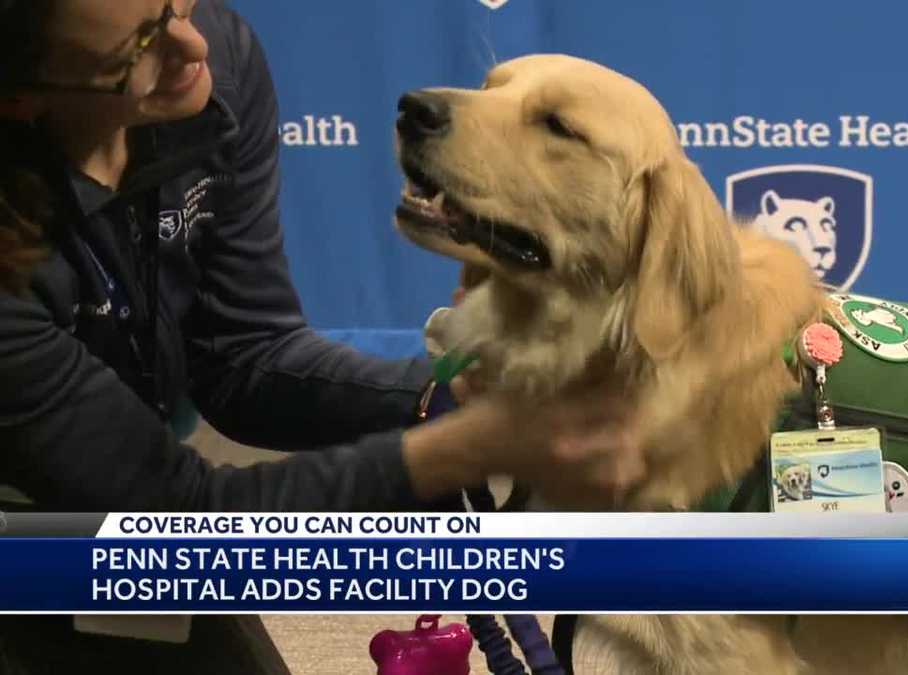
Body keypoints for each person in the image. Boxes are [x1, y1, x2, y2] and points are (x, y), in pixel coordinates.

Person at [0, 0, 646, 670]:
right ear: (21, 97)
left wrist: (439, 399)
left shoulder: (215, 61)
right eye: (138, 48)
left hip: (130, 500)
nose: (193, 50)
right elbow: (182, 517)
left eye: (178, 4)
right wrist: (454, 449)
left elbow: (241, 355)